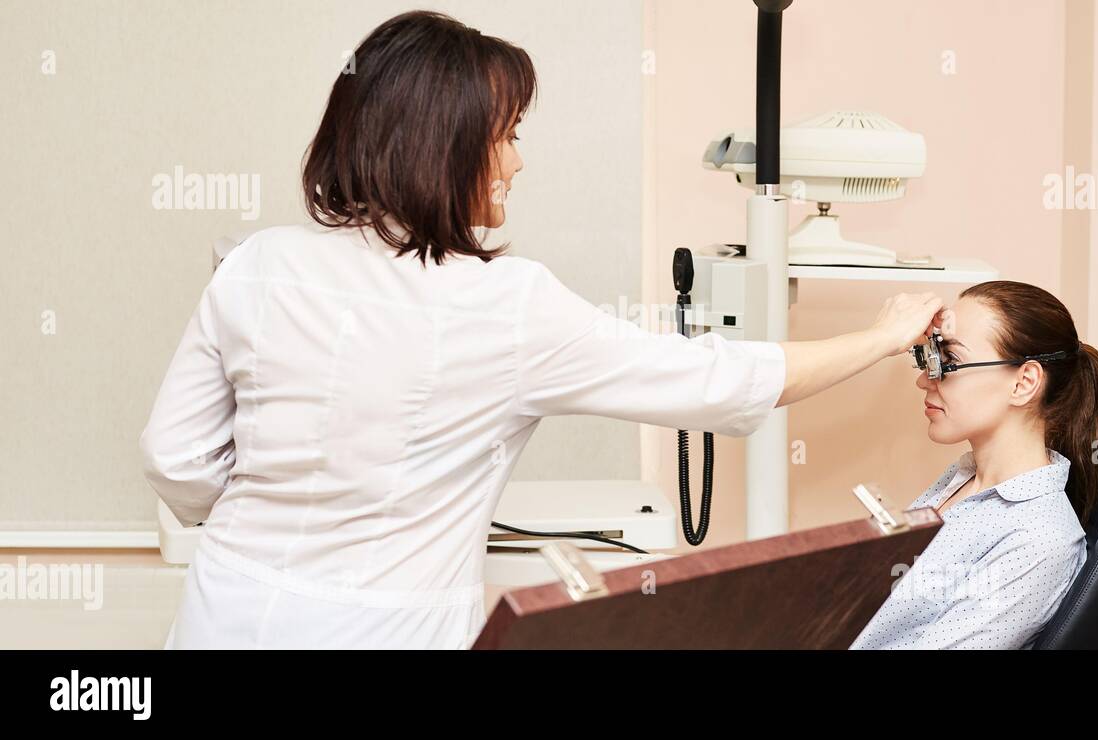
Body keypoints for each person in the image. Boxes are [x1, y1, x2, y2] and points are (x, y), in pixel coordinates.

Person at [139, 10, 946, 649]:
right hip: (386, 632)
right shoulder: (508, 305)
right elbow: (718, 380)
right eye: (508, 136)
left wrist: (279, 514)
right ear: (446, 148)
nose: (517, 163)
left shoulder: (257, 263)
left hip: (223, 615)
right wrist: (881, 336)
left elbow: (173, 459)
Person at [851, 280, 1098, 649]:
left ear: (1024, 382)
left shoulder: (1041, 539)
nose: (925, 379)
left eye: (949, 362)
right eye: (930, 358)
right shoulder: (964, 478)